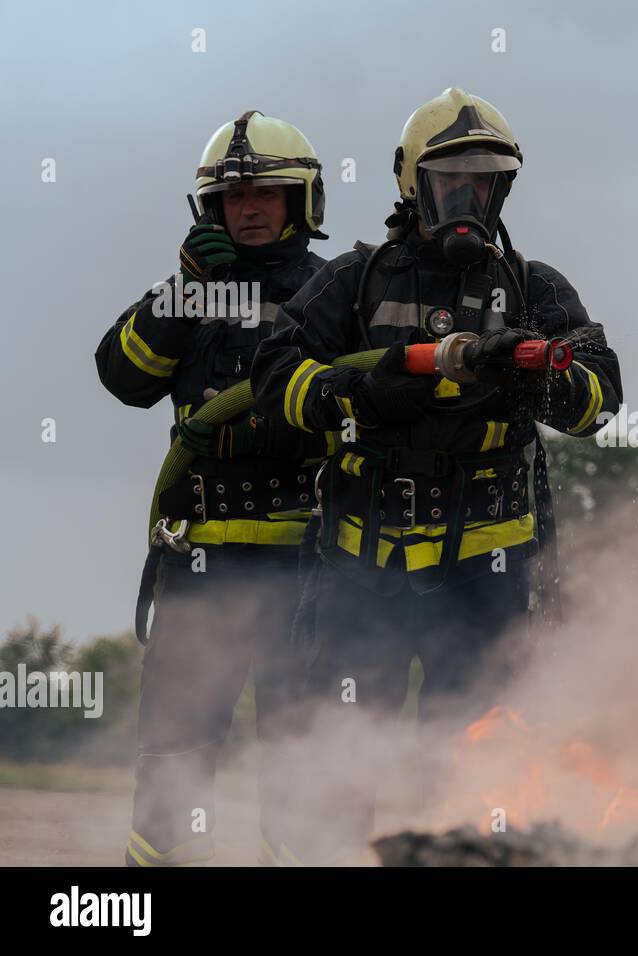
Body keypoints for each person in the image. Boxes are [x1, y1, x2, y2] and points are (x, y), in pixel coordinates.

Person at [249, 88, 622, 861]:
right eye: (451, 181)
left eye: (483, 183)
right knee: (335, 756)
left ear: (501, 190)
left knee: (475, 763)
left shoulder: (534, 287)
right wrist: (352, 389)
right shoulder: (354, 281)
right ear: (411, 183)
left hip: (487, 575)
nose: (468, 196)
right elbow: (270, 379)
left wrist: (541, 381)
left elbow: (599, 400)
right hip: (361, 564)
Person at [95, 111, 330, 866]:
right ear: (210, 210)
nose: (249, 208)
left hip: (306, 567)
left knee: (303, 766)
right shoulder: (188, 295)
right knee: (172, 760)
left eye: (265, 193)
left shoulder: (338, 289)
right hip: (200, 571)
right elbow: (123, 377)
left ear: (301, 201)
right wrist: (183, 289)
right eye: (232, 199)